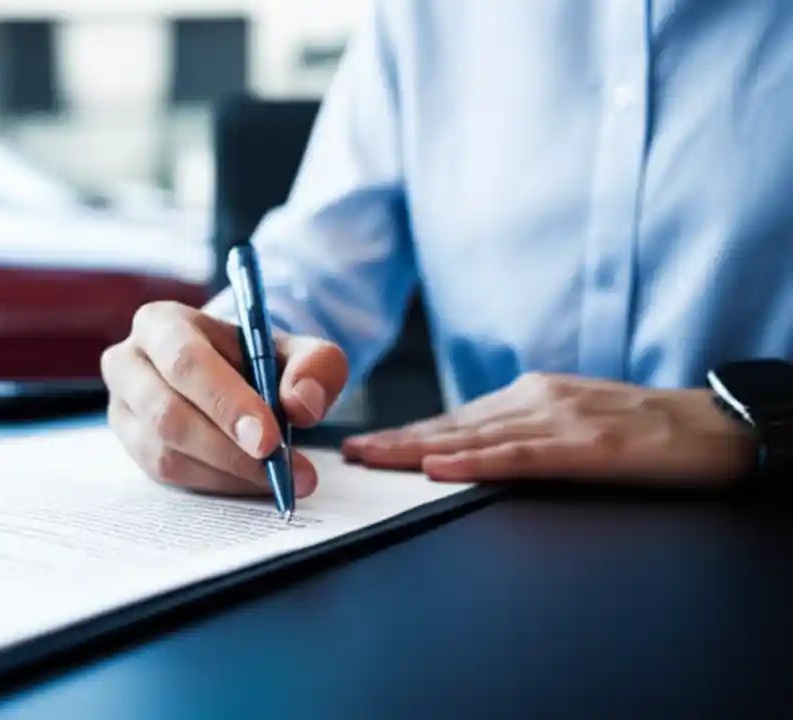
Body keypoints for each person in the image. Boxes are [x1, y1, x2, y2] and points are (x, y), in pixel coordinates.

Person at [101, 2, 793, 497]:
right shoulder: (422, 16)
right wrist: (208, 362)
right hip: (483, 545)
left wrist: (757, 418)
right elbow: (313, 270)